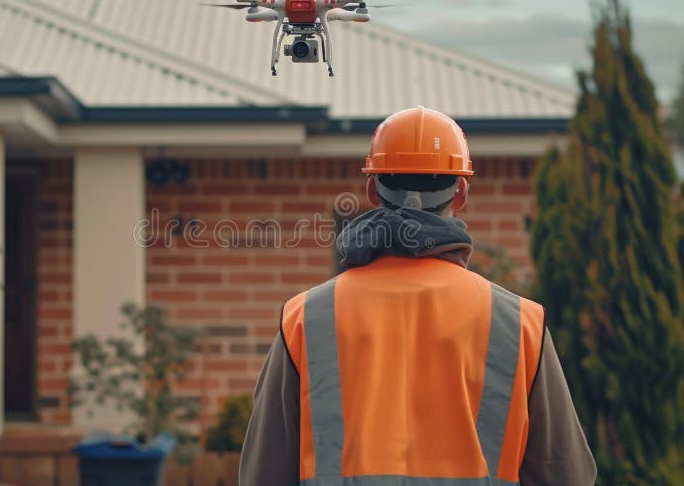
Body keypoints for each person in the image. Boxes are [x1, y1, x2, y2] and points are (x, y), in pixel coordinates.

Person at [239, 107, 597, 485]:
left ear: (372, 190)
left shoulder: (306, 318)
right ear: (461, 191)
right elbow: (567, 475)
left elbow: (263, 475)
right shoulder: (521, 323)